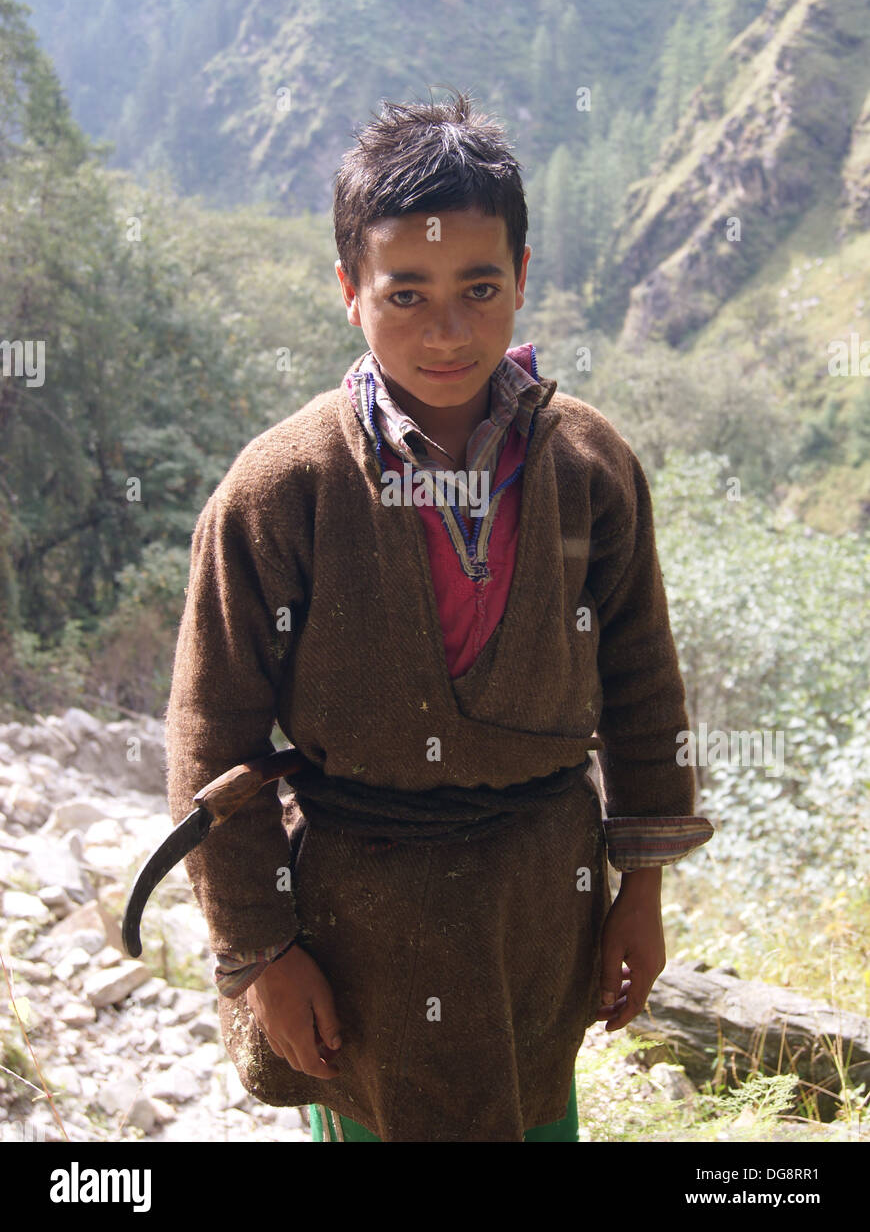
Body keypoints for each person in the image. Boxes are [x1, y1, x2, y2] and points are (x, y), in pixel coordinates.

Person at [164, 88, 714, 1143]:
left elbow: (644, 685)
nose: (448, 330)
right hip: (357, 928)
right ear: (348, 291)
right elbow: (211, 738)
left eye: (479, 286)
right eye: (405, 293)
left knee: (534, 1114)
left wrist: (637, 889)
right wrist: (265, 955)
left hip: (537, 912)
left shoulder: (590, 466)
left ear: (522, 279)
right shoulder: (281, 488)